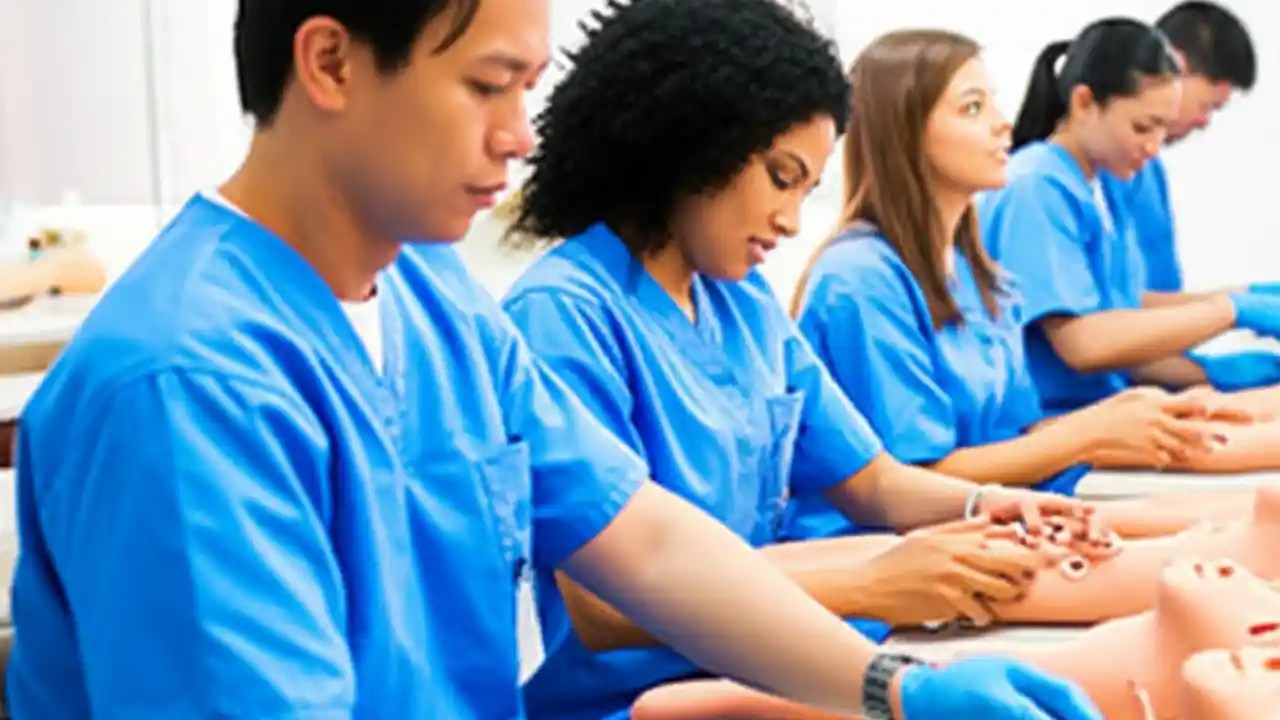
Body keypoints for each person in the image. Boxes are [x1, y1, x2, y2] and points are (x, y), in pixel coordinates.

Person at [3, 1, 1107, 719]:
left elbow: (646, 542)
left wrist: (890, 687)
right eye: (488, 87)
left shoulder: (437, 303)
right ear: (330, 61)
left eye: (526, 90)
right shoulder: (189, 382)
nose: (522, 133)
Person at [499, 6, 1110, 719]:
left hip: (782, 660)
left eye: (806, 191)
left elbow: (874, 481)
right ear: (694, 142)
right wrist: (869, 583)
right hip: (642, 696)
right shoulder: (563, 312)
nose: (791, 221)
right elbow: (609, 601)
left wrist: (988, 504)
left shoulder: (741, 301)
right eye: (780, 178)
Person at [784, 28, 1230, 549]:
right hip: (887, 544)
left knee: (1219, 522)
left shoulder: (977, 272)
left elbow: (1018, 435)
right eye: (972, 108)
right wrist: (1090, 432)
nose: (1004, 125)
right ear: (903, 129)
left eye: (994, 103)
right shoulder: (859, 282)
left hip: (995, 516)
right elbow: (916, 479)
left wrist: (1122, 417)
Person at [977, 17, 1280, 414]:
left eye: (1162, 129)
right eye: (1142, 127)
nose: (1154, 148)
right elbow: (1084, 344)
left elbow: (1121, 313)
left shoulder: (1099, 184)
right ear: (1084, 103)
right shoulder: (1037, 188)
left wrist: (1217, 360)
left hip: (1103, 411)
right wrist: (1229, 311)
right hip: (1050, 431)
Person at [1100, 1, 1257, 296]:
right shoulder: (1089, 169)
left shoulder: (1148, 169)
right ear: (1174, 64)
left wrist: (1238, 298)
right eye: (1206, 106)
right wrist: (1231, 307)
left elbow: (1155, 297)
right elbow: (1106, 313)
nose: (1203, 122)